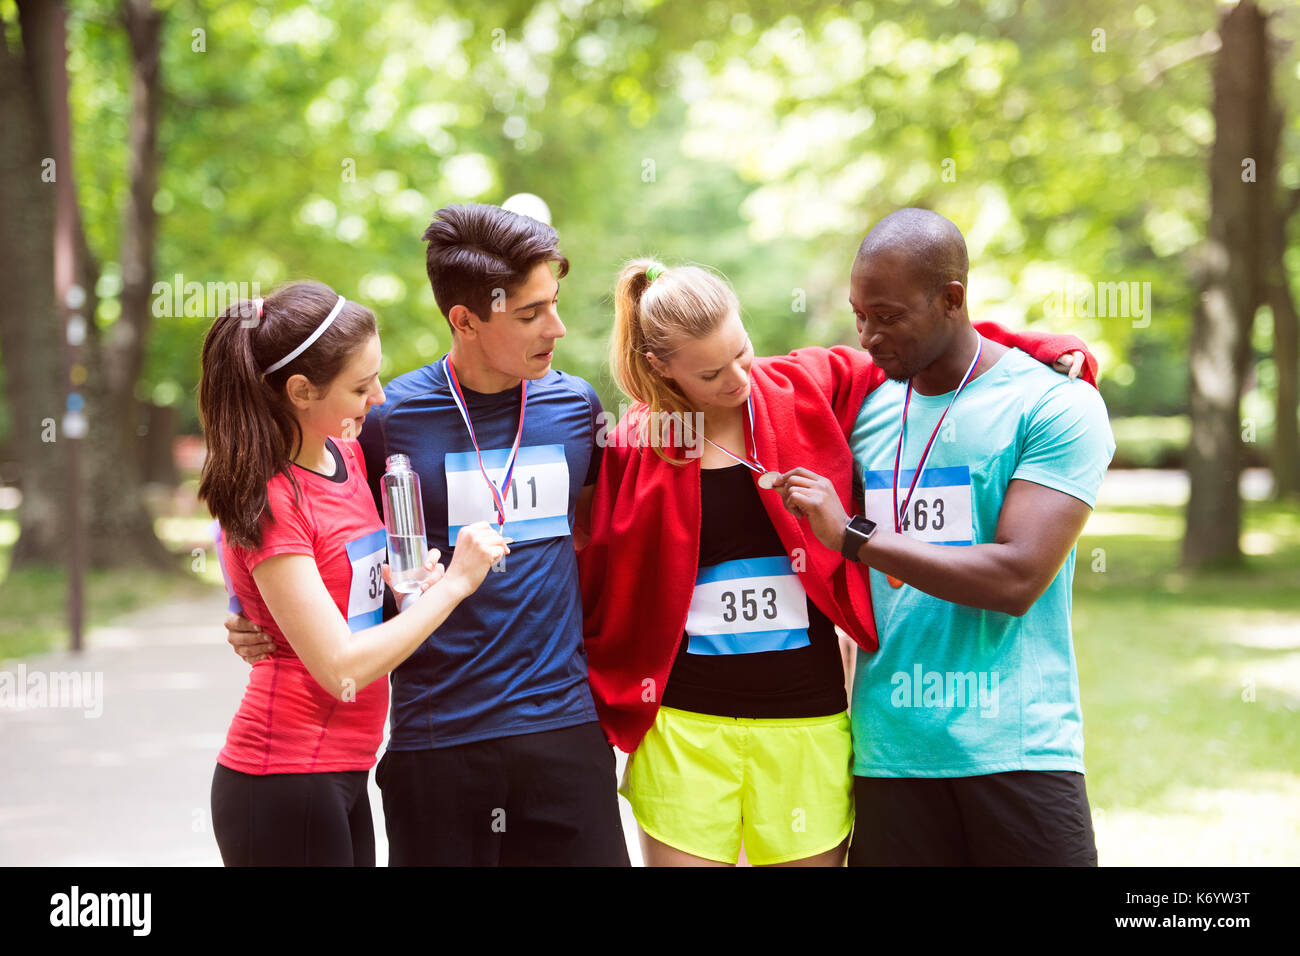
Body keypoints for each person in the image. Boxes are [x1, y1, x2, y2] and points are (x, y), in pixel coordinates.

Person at [580, 257, 1095, 866]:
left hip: (808, 717)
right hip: (685, 727)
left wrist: (1041, 345)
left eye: (742, 353)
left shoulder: (802, 388)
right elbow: (601, 569)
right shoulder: (636, 444)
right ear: (661, 369)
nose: (738, 378)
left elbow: (930, 343)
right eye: (712, 373)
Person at [225, 206, 629, 866]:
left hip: (564, 732)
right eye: (530, 314)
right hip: (436, 742)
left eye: (552, 304)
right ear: (464, 320)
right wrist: (251, 608)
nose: (555, 327)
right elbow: (303, 514)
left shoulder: (578, 409)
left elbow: (594, 537)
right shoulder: (386, 421)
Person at [773, 208, 1115, 865]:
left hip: (1017, 752)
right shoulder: (864, 409)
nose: (869, 335)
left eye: (889, 315)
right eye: (859, 314)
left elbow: (1016, 578)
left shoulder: (1053, 406)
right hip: (889, 756)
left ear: (951, 299)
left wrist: (854, 538)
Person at [198, 280, 506, 867]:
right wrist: (456, 584)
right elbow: (339, 664)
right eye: (362, 386)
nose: (381, 398)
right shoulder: (273, 496)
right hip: (283, 776)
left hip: (342, 767)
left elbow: (336, 605)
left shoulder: (346, 456)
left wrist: (403, 592)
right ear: (300, 391)